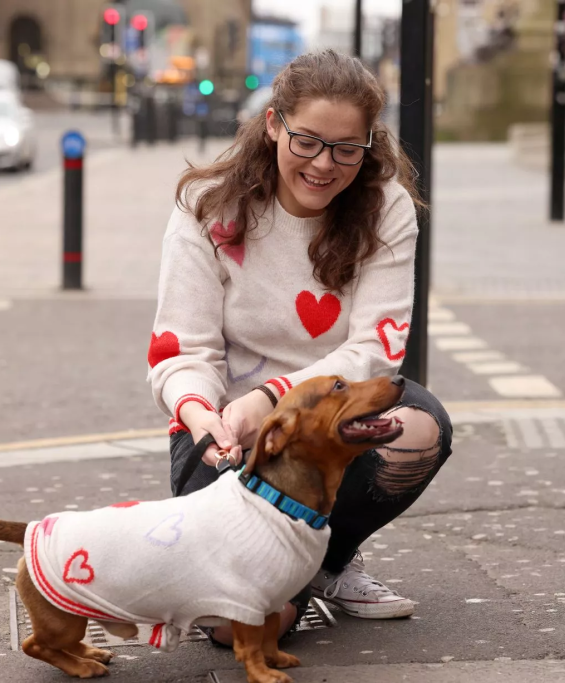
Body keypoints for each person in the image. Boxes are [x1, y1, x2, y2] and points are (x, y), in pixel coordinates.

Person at [147, 49, 453, 645]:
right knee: (227, 625)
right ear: (273, 125)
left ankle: (324, 564)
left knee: (419, 426)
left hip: (327, 417)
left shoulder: (384, 207)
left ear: (369, 145)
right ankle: (275, 588)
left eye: (346, 148)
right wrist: (201, 415)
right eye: (307, 141)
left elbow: (376, 349)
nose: (324, 164)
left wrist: (273, 397)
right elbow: (180, 349)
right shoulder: (209, 206)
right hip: (227, 439)